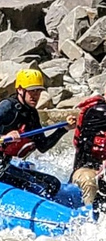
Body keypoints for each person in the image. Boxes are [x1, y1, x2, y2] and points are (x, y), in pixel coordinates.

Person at [0, 69, 76, 198]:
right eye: (32, 91)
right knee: (42, 186)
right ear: (20, 90)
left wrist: (64, 129)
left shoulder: (31, 114)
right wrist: (4, 137)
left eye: (38, 91)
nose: (35, 95)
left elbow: (43, 146)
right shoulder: (7, 107)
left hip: (5, 164)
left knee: (53, 184)